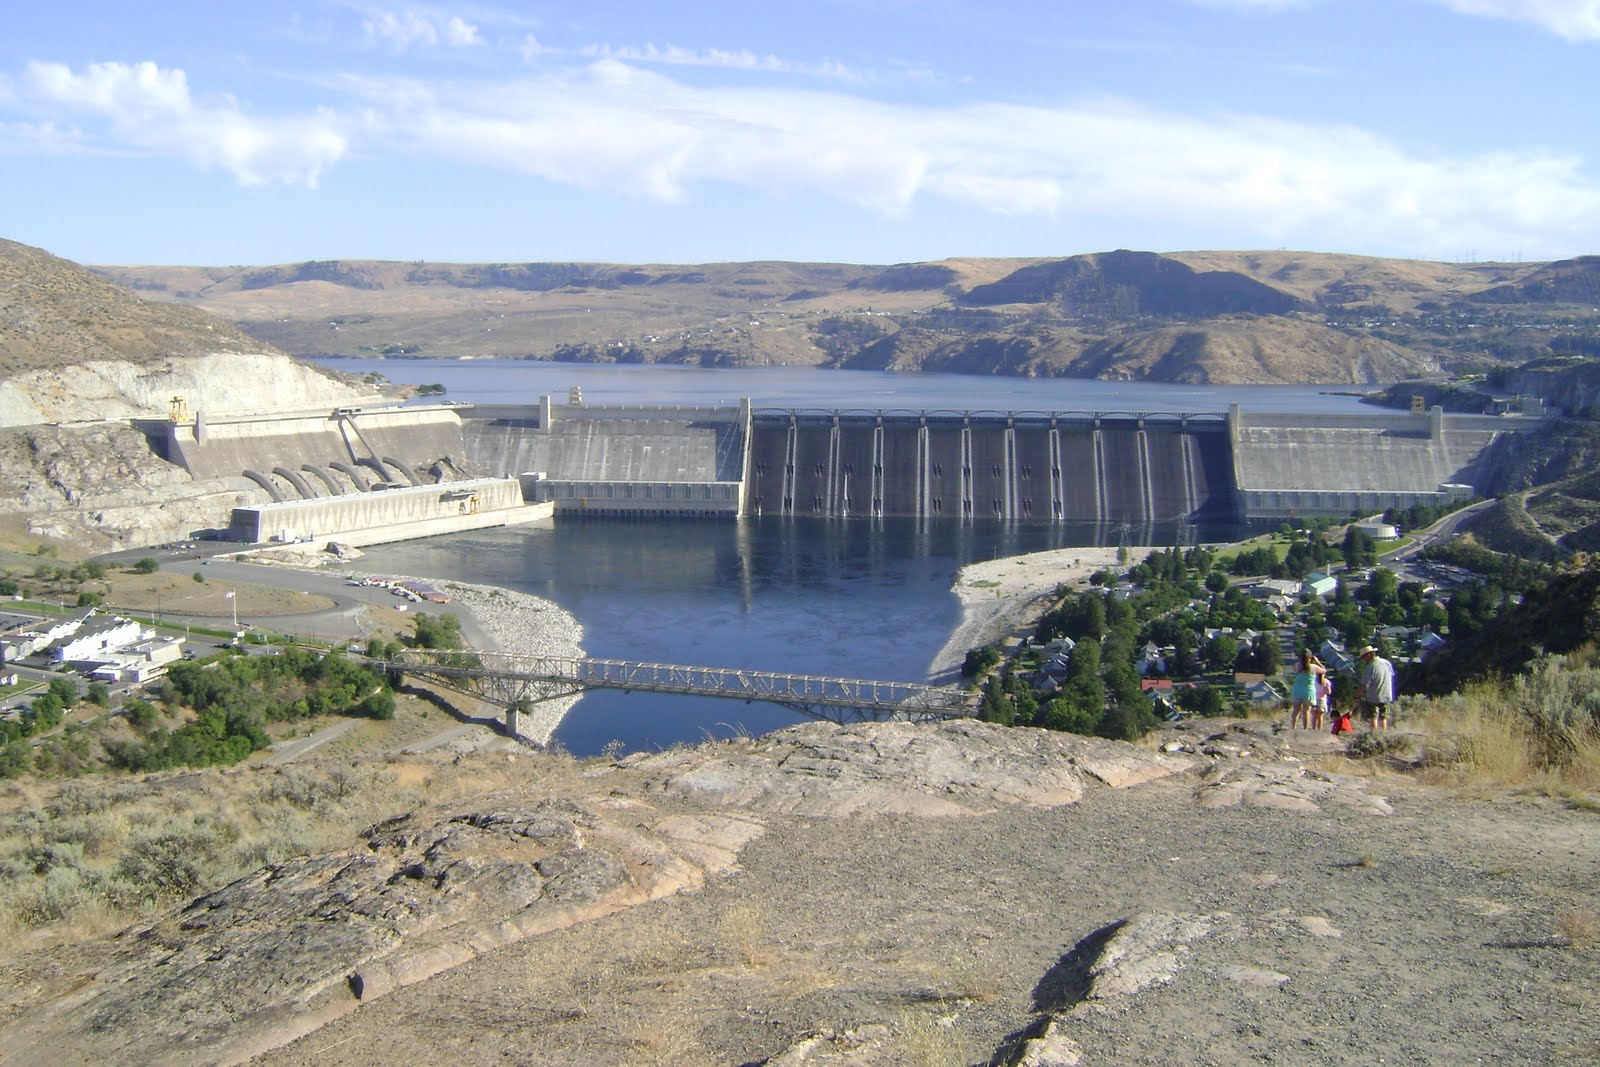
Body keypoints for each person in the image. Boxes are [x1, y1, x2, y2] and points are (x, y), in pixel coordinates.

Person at [1356, 645, 1395, 730]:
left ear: (1368, 655)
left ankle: (1374, 734)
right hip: (1386, 695)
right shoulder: (1386, 663)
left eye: (1363, 657)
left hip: (1374, 696)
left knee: (1373, 716)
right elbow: (1391, 675)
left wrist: (1357, 695)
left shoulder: (1370, 666)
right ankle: (1382, 735)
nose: (1363, 660)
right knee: (1383, 717)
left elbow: (1364, 683)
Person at [1289, 649, 1325, 730]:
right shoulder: (1314, 667)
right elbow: (1323, 670)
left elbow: (1294, 669)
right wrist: (1317, 662)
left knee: (1296, 710)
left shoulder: (1297, 665)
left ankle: (1293, 727)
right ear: (1310, 657)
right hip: (1308, 691)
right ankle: (1305, 729)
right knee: (1307, 711)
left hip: (1297, 690)